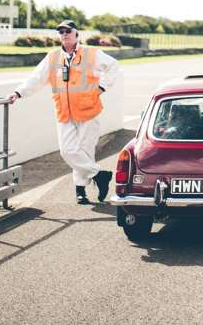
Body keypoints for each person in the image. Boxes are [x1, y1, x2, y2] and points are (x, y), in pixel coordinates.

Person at [7, 20, 121, 204]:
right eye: (61, 31)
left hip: (88, 110)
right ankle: (99, 175)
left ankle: (81, 190)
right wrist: (18, 92)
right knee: (68, 151)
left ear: (76, 34)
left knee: (85, 151)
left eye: (68, 31)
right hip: (64, 112)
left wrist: (101, 88)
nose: (64, 34)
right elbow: (36, 78)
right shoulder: (52, 57)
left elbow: (114, 67)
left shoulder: (91, 53)